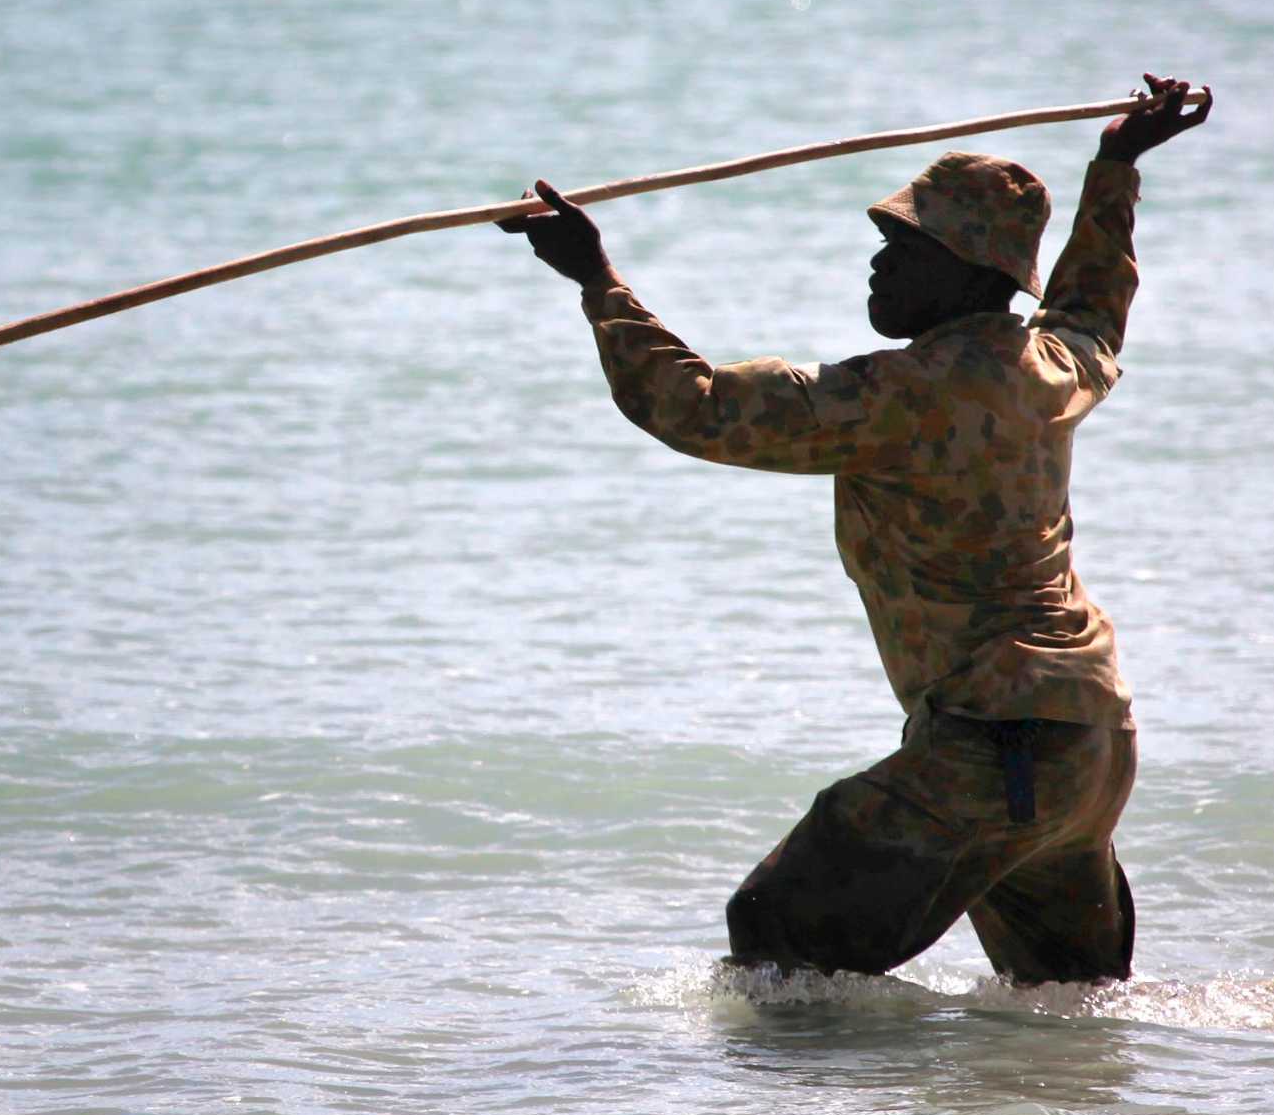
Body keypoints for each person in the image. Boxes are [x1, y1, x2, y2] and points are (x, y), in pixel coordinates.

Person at [502, 75, 1212, 983]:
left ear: (968, 270)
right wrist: (1116, 167)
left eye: (903, 248)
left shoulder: (899, 397)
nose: (877, 264)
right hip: (1091, 744)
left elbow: (696, 407)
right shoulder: (1051, 365)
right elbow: (1093, 307)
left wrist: (596, 278)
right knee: (1061, 1017)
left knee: (777, 933)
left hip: (999, 747)